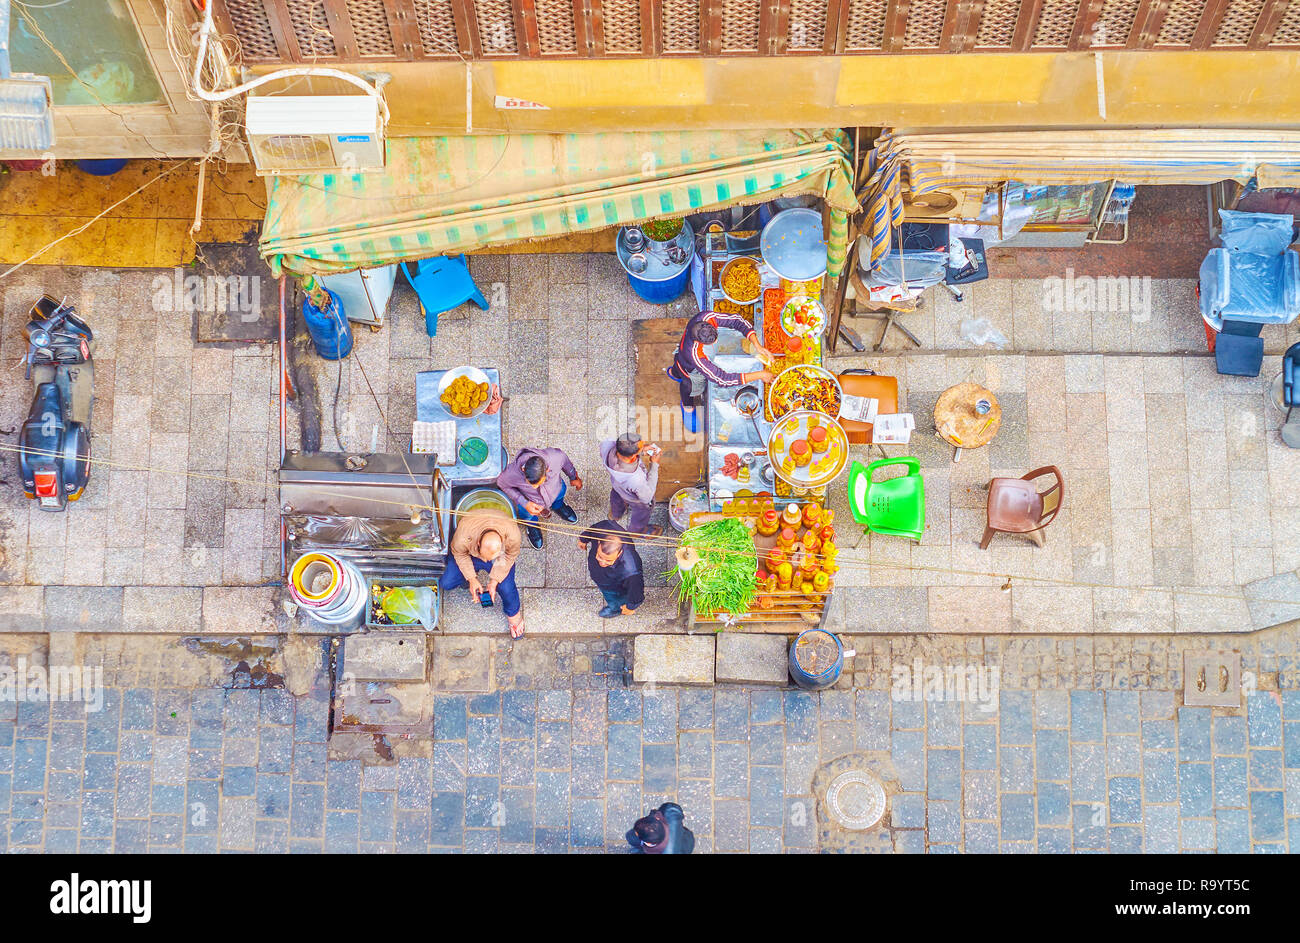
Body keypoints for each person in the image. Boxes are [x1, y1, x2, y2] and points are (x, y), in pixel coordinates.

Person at [667, 310, 774, 434]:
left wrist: (757, 345)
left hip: (682, 353)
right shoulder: (695, 356)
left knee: (678, 362)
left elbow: (737, 321)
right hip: (691, 371)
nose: (716, 341)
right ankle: (687, 407)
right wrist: (760, 375)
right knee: (688, 386)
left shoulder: (706, 317)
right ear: (699, 342)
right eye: (712, 342)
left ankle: (673, 373)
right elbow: (723, 379)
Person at [439, 508, 526, 638]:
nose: (487, 561)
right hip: (470, 554)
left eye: (489, 559)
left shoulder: (513, 534)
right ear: (479, 543)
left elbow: (510, 555)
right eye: (486, 557)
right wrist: (472, 579)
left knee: (506, 587)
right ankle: (466, 579)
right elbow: (459, 553)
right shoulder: (463, 536)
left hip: (500, 557)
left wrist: (494, 580)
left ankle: (514, 613)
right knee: (446, 582)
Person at [496, 446, 583, 550]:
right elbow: (502, 484)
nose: (534, 487)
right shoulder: (511, 473)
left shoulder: (556, 456)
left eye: (538, 483)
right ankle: (532, 526)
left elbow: (566, 462)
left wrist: (573, 477)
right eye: (530, 483)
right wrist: (524, 502)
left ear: (547, 470)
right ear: (523, 470)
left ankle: (559, 507)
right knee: (527, 516)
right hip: (531, 501)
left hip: (556, 490)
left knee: (559, 499)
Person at [599, 434, 663, 538]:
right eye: (641, 447)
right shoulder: (635, 479)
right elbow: (647, 497)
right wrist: (654, 464)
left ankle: (615, 515)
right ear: (633, 456)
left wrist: (641, 451)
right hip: (634, 497)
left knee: (617, 499)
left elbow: (625, 453)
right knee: (642, 511)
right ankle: (638, 531)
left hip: (617, 486)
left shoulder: (607, 444)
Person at [577, 520, 644, 619]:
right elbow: (594, 528)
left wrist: (630, 607)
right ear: (599, 542)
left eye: (608, 560)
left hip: (612, 584)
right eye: (600, 556)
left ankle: (615, 608)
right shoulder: (605, 527)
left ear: (620, 553)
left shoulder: (631, 570)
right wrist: (584, 538)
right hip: (599, 574)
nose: (602, 563)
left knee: (613, 597)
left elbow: (636, 591)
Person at [626, 802, 695, 854]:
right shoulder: (671, 815)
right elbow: (673, 808)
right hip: (686, 838)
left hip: (684, 847)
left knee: (631, 838)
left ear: (649, 843)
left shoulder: (669, 851)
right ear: (657, 818)